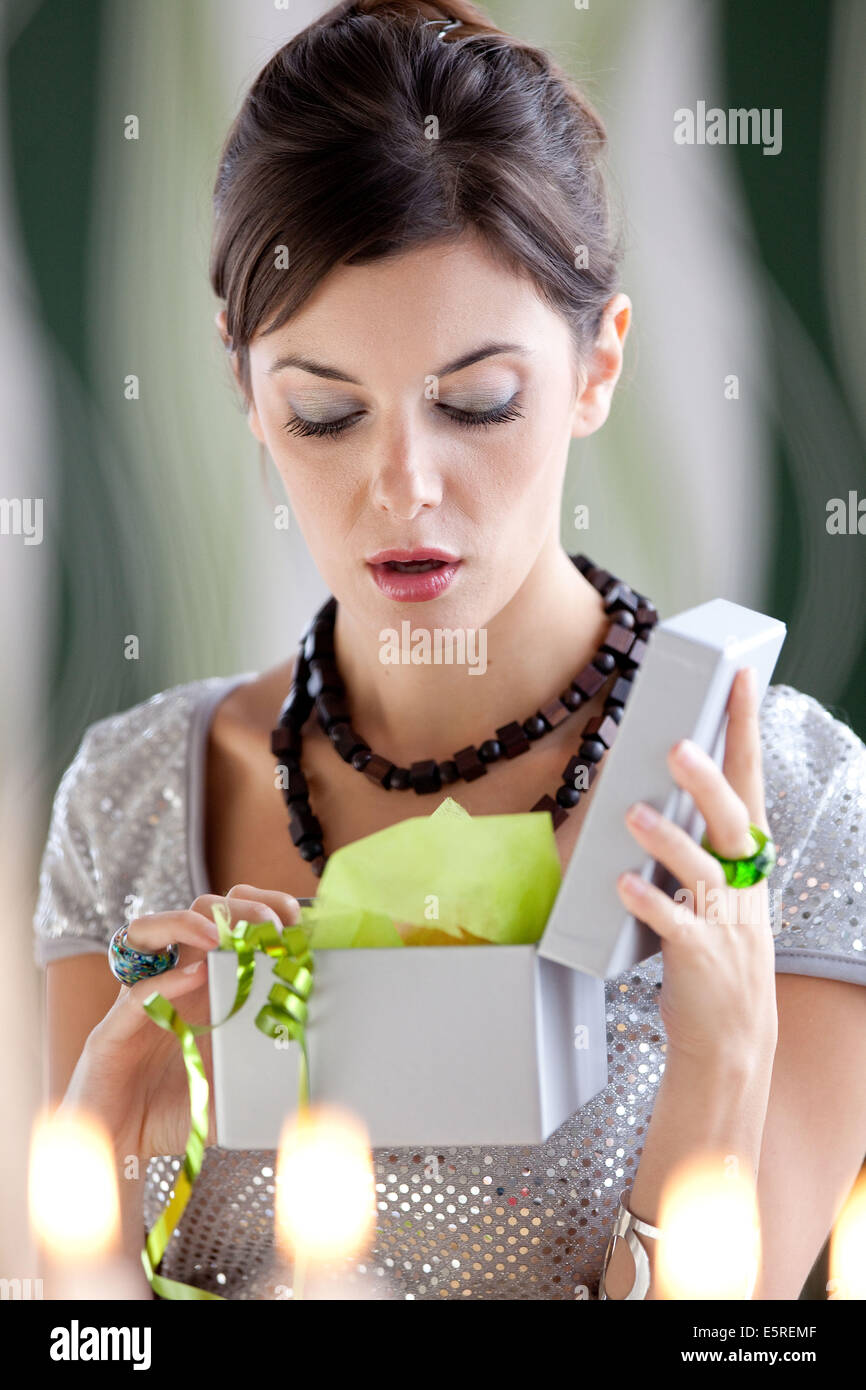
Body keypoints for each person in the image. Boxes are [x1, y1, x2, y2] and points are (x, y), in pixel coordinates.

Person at [34, 0, 866, 1301]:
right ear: (246, 392)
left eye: (476, 402)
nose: (403, 485)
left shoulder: (784, 811)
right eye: (323, 413)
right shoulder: (131, 802)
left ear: (598, 366)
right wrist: (87, 1179)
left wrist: (719, 1076)